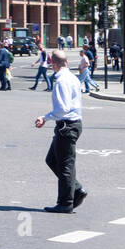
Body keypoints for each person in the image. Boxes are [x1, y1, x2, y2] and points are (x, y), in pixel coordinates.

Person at [35, 50, 86, 213]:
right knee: (52, 160)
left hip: (67, 126)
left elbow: (62, 109)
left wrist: (45, 117)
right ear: (66, 63)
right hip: (73, 124)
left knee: (65, 165)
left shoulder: (61, 81)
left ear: (54, 65)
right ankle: (76, 189)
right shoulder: (73, 78)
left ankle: (66, 202)